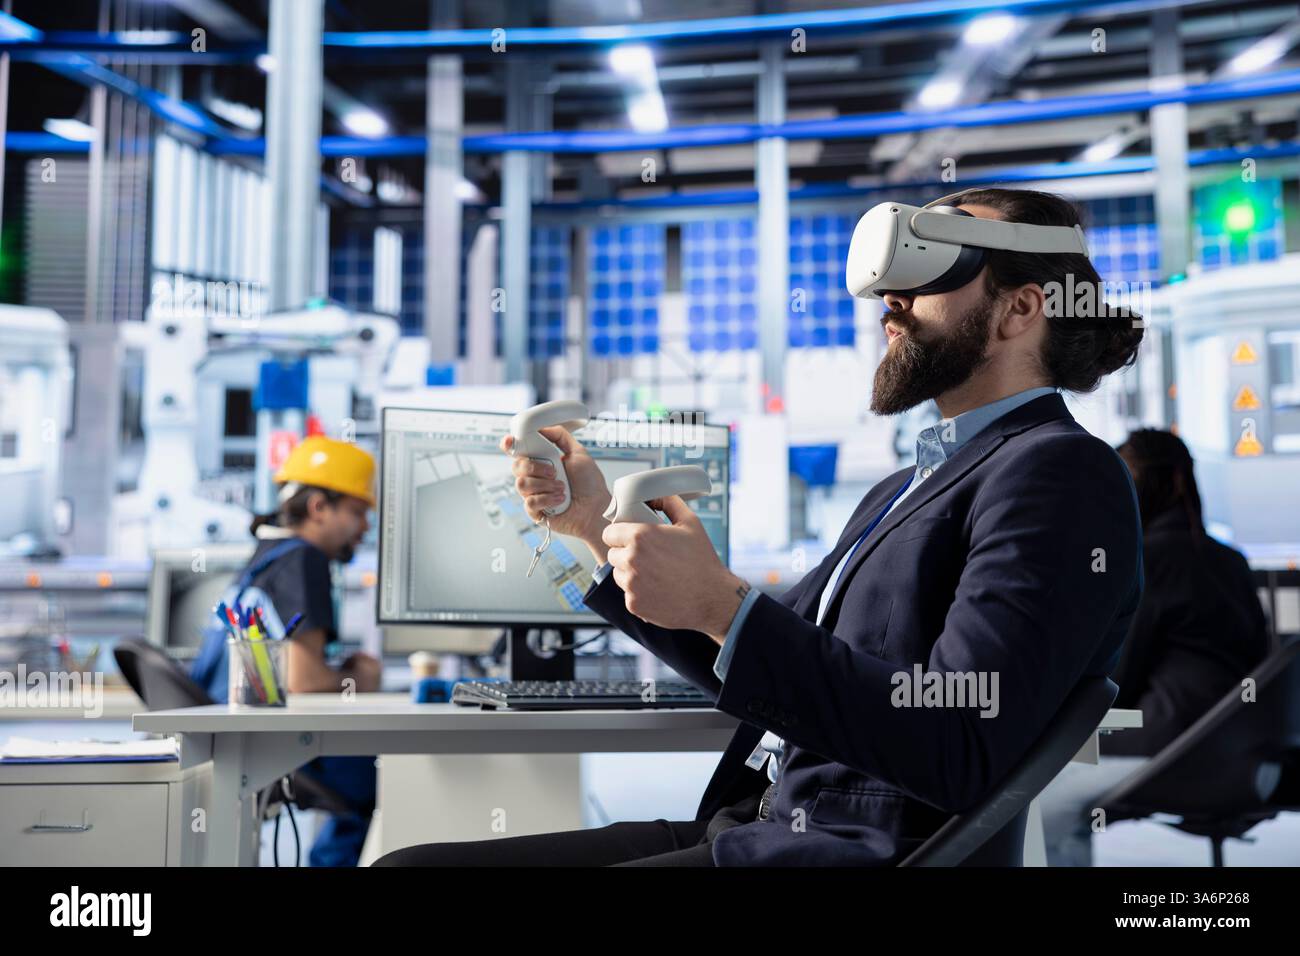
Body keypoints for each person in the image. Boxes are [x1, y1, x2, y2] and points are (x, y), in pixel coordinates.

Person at [374, 186, 1146, 867]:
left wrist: (721, 606)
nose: (890, 301)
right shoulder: (903, 486)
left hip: (852, 849)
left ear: (1021, 308)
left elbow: (956, 741)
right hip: (761, 825)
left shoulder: (1059, 474)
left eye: (936, 267)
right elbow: (752, 654)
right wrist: (593, 523)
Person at [1038, 428, 1270, 866]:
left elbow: (1114, 683)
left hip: (1174, 749)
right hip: (1246, 749)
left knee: (1039, 798)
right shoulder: (1231, 561)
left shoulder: (1147, 561)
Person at [191, 435, 382, 867]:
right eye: (357, 511)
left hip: (233, 734)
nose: (365, 527)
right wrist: (360, 680)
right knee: (378, 775)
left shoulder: (267, 555)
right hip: (269, 741)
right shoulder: (305, 560)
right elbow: (304, 682)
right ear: (318, 507)